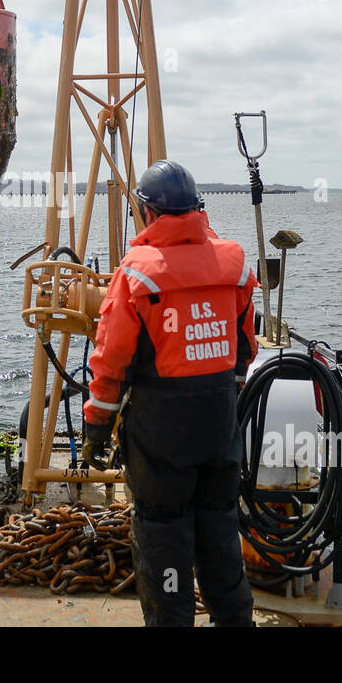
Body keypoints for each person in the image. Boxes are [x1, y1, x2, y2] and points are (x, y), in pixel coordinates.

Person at [83, 159, 261, 626]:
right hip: (219, 424)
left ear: (146, 212)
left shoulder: (137, 274)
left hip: (162, 435)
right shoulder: (234, 265)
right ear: (196, 209)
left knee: (164, 543)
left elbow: (111, 358)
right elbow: (244, 346)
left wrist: (96, 427)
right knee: (221, 535)